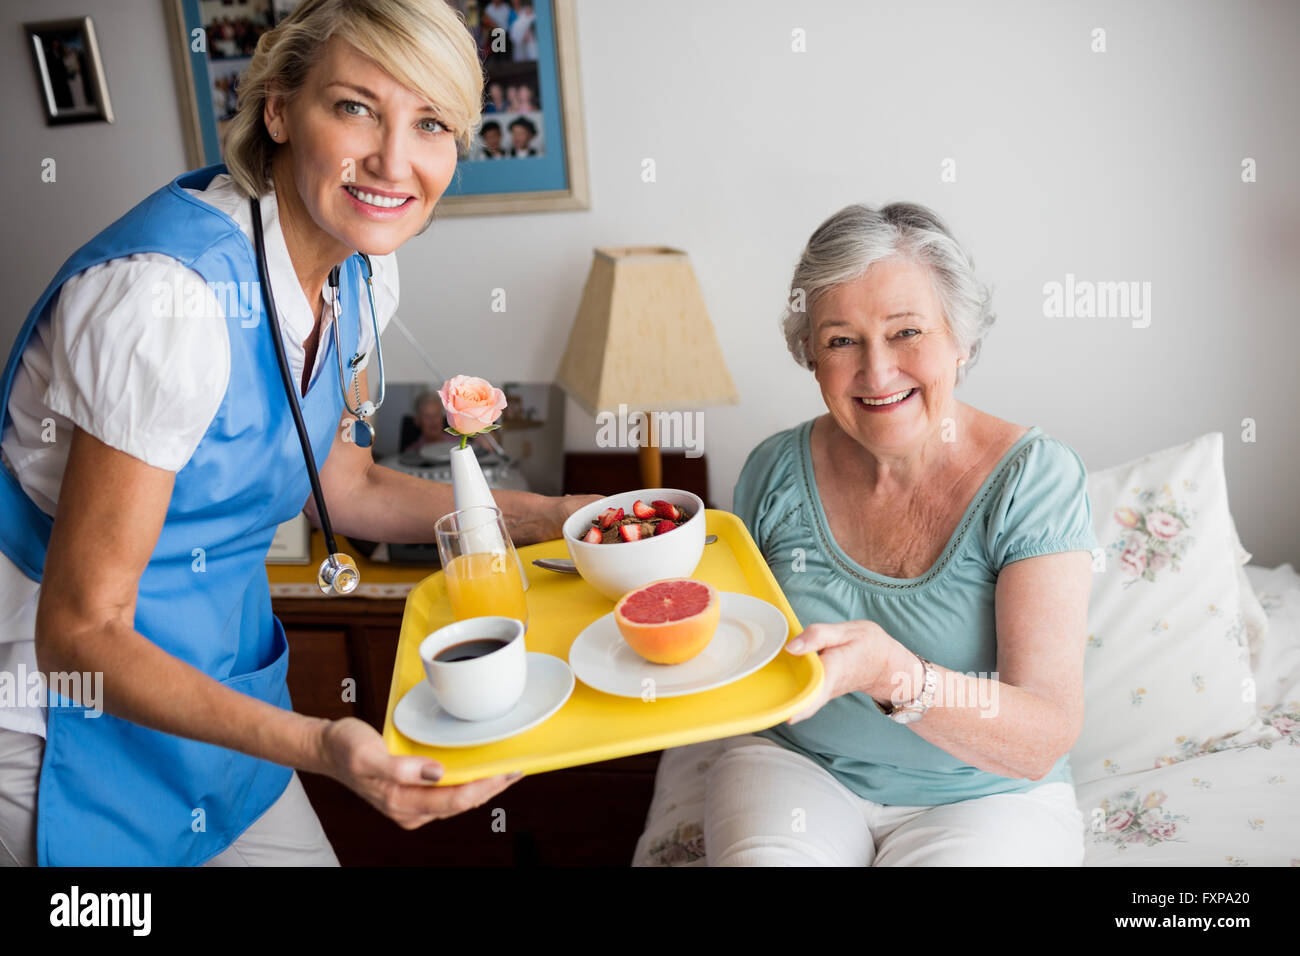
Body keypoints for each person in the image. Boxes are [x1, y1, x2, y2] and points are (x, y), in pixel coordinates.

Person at [0, 0, 600, 867]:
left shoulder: (363, 269)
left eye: (429, 122)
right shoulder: (166, 304)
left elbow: (343, 483)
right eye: (355, 106)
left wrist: (551, 515)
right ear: (278, 107)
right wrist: (323, 744)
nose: (394, 161)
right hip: (57, 718)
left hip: (219, 684)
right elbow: (81, 634)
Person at [649, 202, 1098, 866]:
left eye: (906, 331)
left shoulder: (1036, 480)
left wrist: (894, 674)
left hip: (985, 793)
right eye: (840, 340)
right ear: (810, 355)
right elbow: (735, 646)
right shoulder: (774, 470)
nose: (878, 371)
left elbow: (1044, 734)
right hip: (799, 765)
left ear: (961, 339)